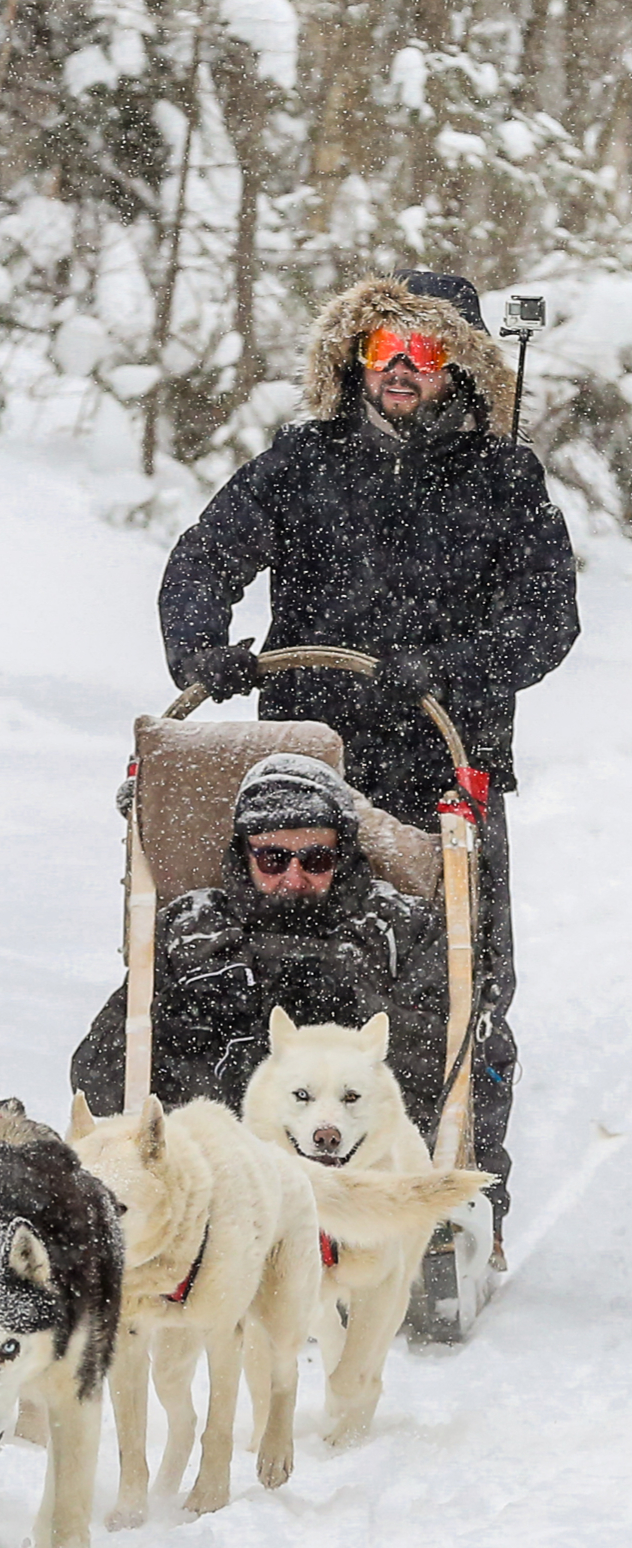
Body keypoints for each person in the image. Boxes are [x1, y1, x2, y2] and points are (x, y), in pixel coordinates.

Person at [155, 271, 581, 1254]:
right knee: (282, 982)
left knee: (457, 994)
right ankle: (256, 1192)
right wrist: (201, 650)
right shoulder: (303, 463)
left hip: (445, 764)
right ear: (352, 356)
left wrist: (452, 666)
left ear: (460, 367)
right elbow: (205, 557)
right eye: (381, 346)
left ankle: (460, 1202)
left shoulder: (505, 480)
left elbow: (549, 619)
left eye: (425, 352)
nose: (398, 367)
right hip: (310, 768)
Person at [72, 753, 447, 1136]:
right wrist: (175, 1025)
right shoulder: (191, 928)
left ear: (343, 854)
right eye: (272, 860)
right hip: (211, 1166)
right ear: (245, 855)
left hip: (352, 1169)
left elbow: (450, 1071)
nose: (294, 879)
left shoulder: (401, 926)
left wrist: (354, 1008)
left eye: (316, 860)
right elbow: (96, 1088)